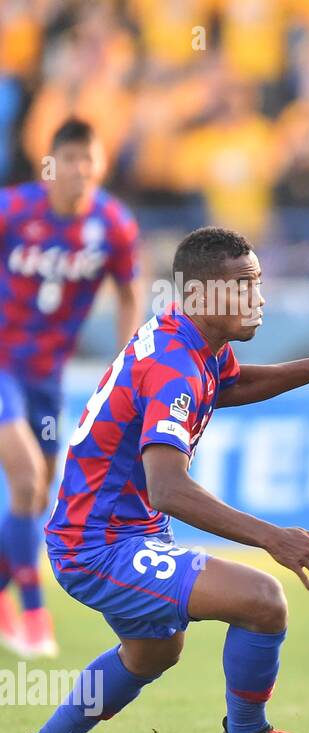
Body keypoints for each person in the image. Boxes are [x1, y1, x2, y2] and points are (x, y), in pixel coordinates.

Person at [9, 226, 309, 733]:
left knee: (153, 654)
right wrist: (272, 537)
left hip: (120, 532)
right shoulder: (174, 365)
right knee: (262, 599)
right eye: (243, 285)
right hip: (97, 545)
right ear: (199, 295)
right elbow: (169, 487)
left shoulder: (192, 344)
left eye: (258, 284)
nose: (257, 297)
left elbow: (230, 386)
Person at [0, 117, 141, 658]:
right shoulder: (14, 211)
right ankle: (35, 614)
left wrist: (128, 363)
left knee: (37, 493)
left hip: (46, 376)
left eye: (90, 160)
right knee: (25, 473)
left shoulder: (113, 226)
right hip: (2, 365)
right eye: (71, 160)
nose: (81, 171)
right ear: (51, 164)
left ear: (100, 166)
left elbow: (129, 292)